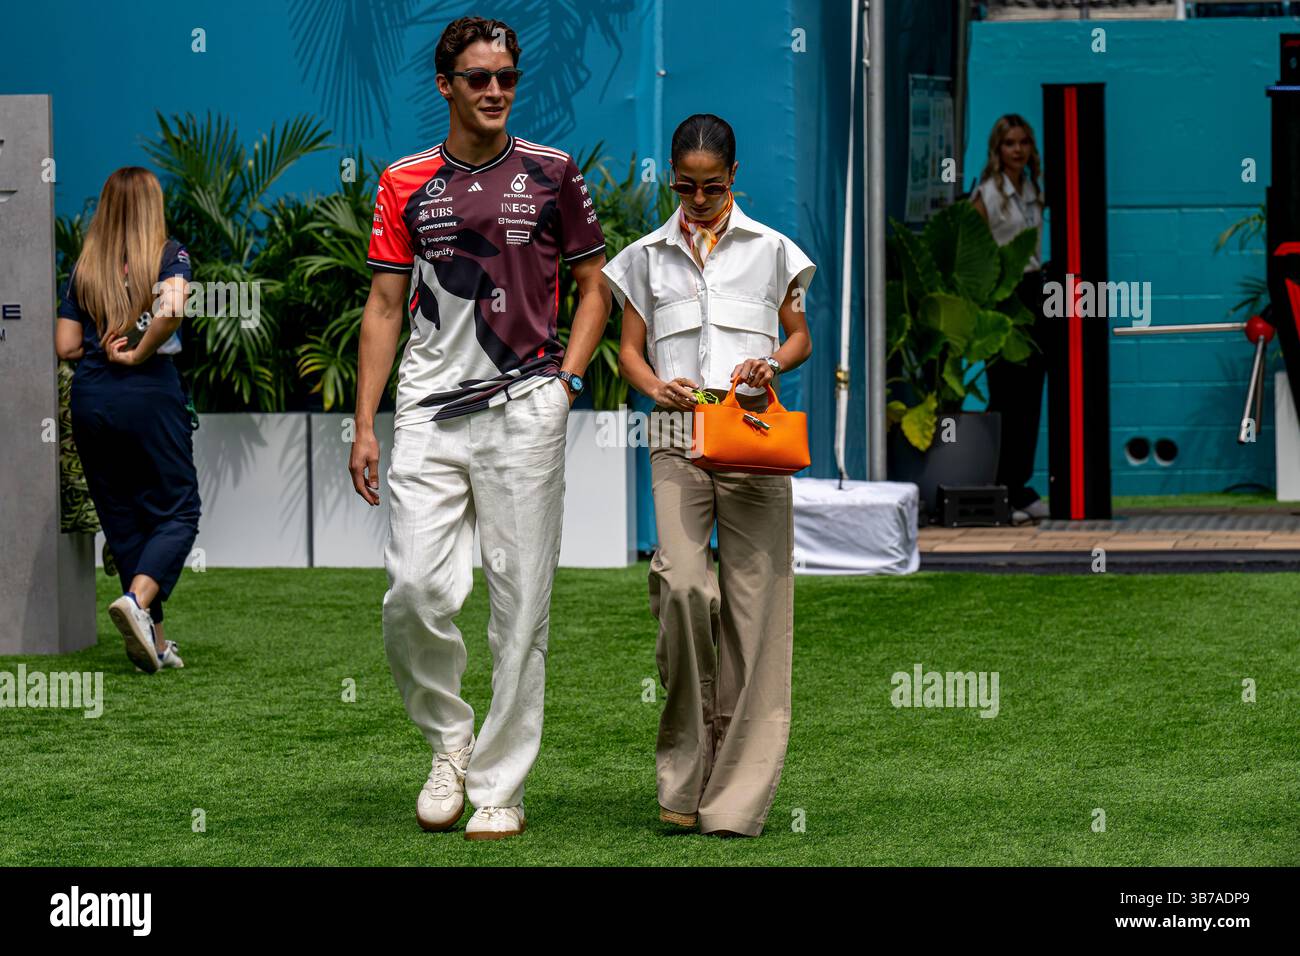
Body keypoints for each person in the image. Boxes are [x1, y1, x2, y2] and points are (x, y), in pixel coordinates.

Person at [349, 16, 610, 841]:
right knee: (415, 593)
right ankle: (448, 742)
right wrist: (363, 422)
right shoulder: (402, 181)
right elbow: (385, 305)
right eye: (477, 78)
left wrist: (566, 381)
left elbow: (595, 285)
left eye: (505, 76)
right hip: (428, 410)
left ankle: (499, 785)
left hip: (524, 409)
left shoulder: (553, 173)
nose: (494, 90)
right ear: (445, 86)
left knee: (520, 608)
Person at [604, 114, 814, 837]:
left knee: (758, 613)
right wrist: (651, 384)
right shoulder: (643, 258)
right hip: (675, 431)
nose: (697, 199)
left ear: (734, 179)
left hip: (752, 432)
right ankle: (686, 770)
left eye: (712, 187)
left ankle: (733, 801)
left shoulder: (774, 251)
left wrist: (772, 365)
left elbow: (799, 335)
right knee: (685, 586)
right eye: (685, 186)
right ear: (671, 178)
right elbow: (628, 351)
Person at [54, 166, 199, 674]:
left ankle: (155, 640)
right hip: (148, 391)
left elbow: (66, 345)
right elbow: (175, 307)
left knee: (123, 520)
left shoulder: (84, 266)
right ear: (150, 208)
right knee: (179, 513)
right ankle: (138, 601)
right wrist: (138, 352)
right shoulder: (168, 253)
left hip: (91, 399)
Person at [971, 113, 1048, 525]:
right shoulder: (987, 194)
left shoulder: (1034, 190)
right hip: (1002, 296)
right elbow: (979, 250)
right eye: (1009, 143)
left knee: (1032, 393)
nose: (1017, 150)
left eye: (1023, 143)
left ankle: (1021, 484)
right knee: (1006, 393)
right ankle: (1001, 487)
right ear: (997, 149)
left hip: (1035, 292)